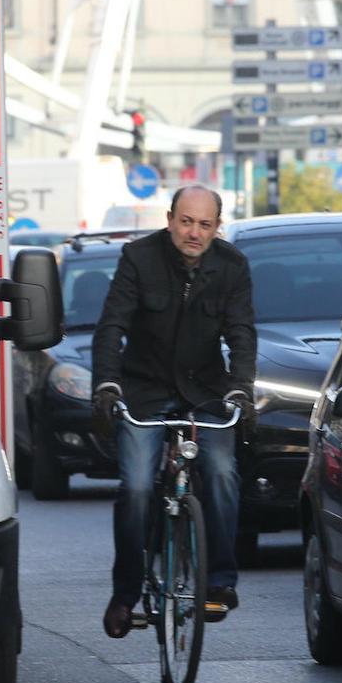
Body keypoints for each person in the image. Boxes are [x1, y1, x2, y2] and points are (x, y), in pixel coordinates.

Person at [91, 185, 257, 639]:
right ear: (169, 220)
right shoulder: (138, 258)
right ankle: (125, 593)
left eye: (205, 225)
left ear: (217, 227)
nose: (194, 233)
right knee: (139, 487)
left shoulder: (232, 267)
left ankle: (220, 582)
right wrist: (106, 384)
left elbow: (242, 333)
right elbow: (112, 326)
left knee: (222, 473)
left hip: (205, 392)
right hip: (144, 390)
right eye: (186, 222)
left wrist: (242, 390)